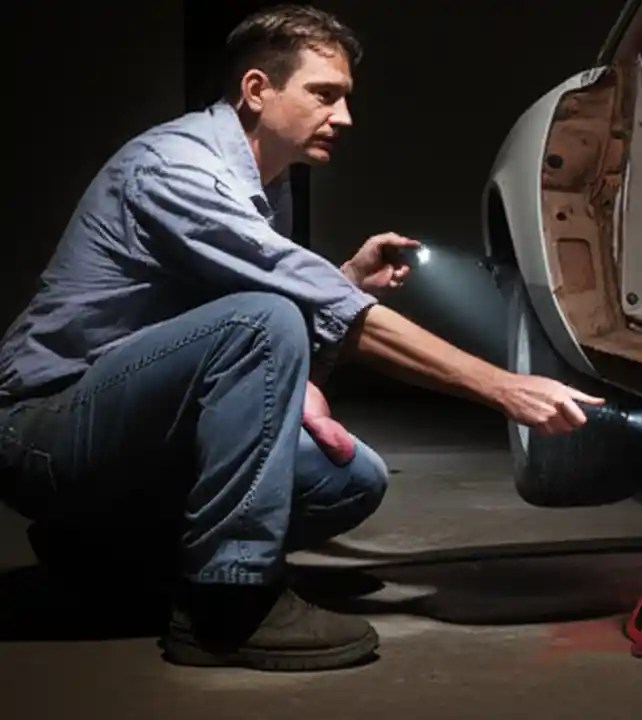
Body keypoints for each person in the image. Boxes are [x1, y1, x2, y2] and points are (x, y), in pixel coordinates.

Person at [0, 5, 602, 672]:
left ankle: (101, 557)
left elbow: (280, 311)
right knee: (263, 319)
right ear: (257, 89)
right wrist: (505, 387)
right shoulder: (176, 169)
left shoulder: (266, 183)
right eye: (325, 94)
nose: (344, 117)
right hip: (43, 428)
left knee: (348, 479)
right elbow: (272, 318)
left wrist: (346, 282)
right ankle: (227, 607)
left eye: (345, 98)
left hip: (134, 424)